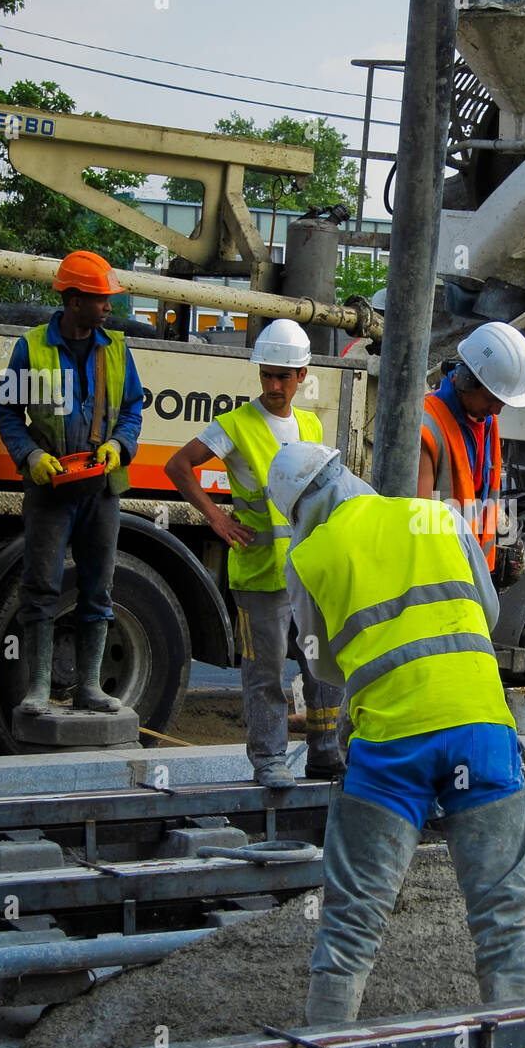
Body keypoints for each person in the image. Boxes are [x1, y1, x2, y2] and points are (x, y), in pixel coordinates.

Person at [268, 441, 525, 1025]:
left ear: (298, 511)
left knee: (351, 923)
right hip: (482, 730)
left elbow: (322, 667)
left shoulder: (310, 556)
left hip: (392, 743)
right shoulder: (437, 516)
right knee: (502, 915)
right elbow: (487, 615)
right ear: (345, 475)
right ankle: (520, 1047)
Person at [165, 319, 343, 787]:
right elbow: (178, 465)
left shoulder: (309, 424)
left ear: (302, 376)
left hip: (305, 570)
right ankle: (268, 759)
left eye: (284, 376)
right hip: (259, 573)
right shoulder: (236, 425)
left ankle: (325, 753)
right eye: (267, 375)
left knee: (322, 664)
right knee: (263, 672)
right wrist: (216, 518)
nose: (274, 385)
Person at [0, 249, 144, 716]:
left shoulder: (117, 350)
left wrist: (119, 445)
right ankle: (38, 688)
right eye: (101, 299)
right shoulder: (32, 348)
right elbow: (6, 410)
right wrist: (31, 454)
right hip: (50, 490)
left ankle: (88, 687)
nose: (108, 307)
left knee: (98, 589)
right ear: (74, 300)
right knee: (40, 586)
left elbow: (134, 409)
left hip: (100, 490)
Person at [417, 321, 525, 572]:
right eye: (493, 399)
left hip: (474, 572)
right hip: (439, 575)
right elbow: (417, 522)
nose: (498, 410)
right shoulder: (426, 426)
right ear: (466, 380)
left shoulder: (487, 420)